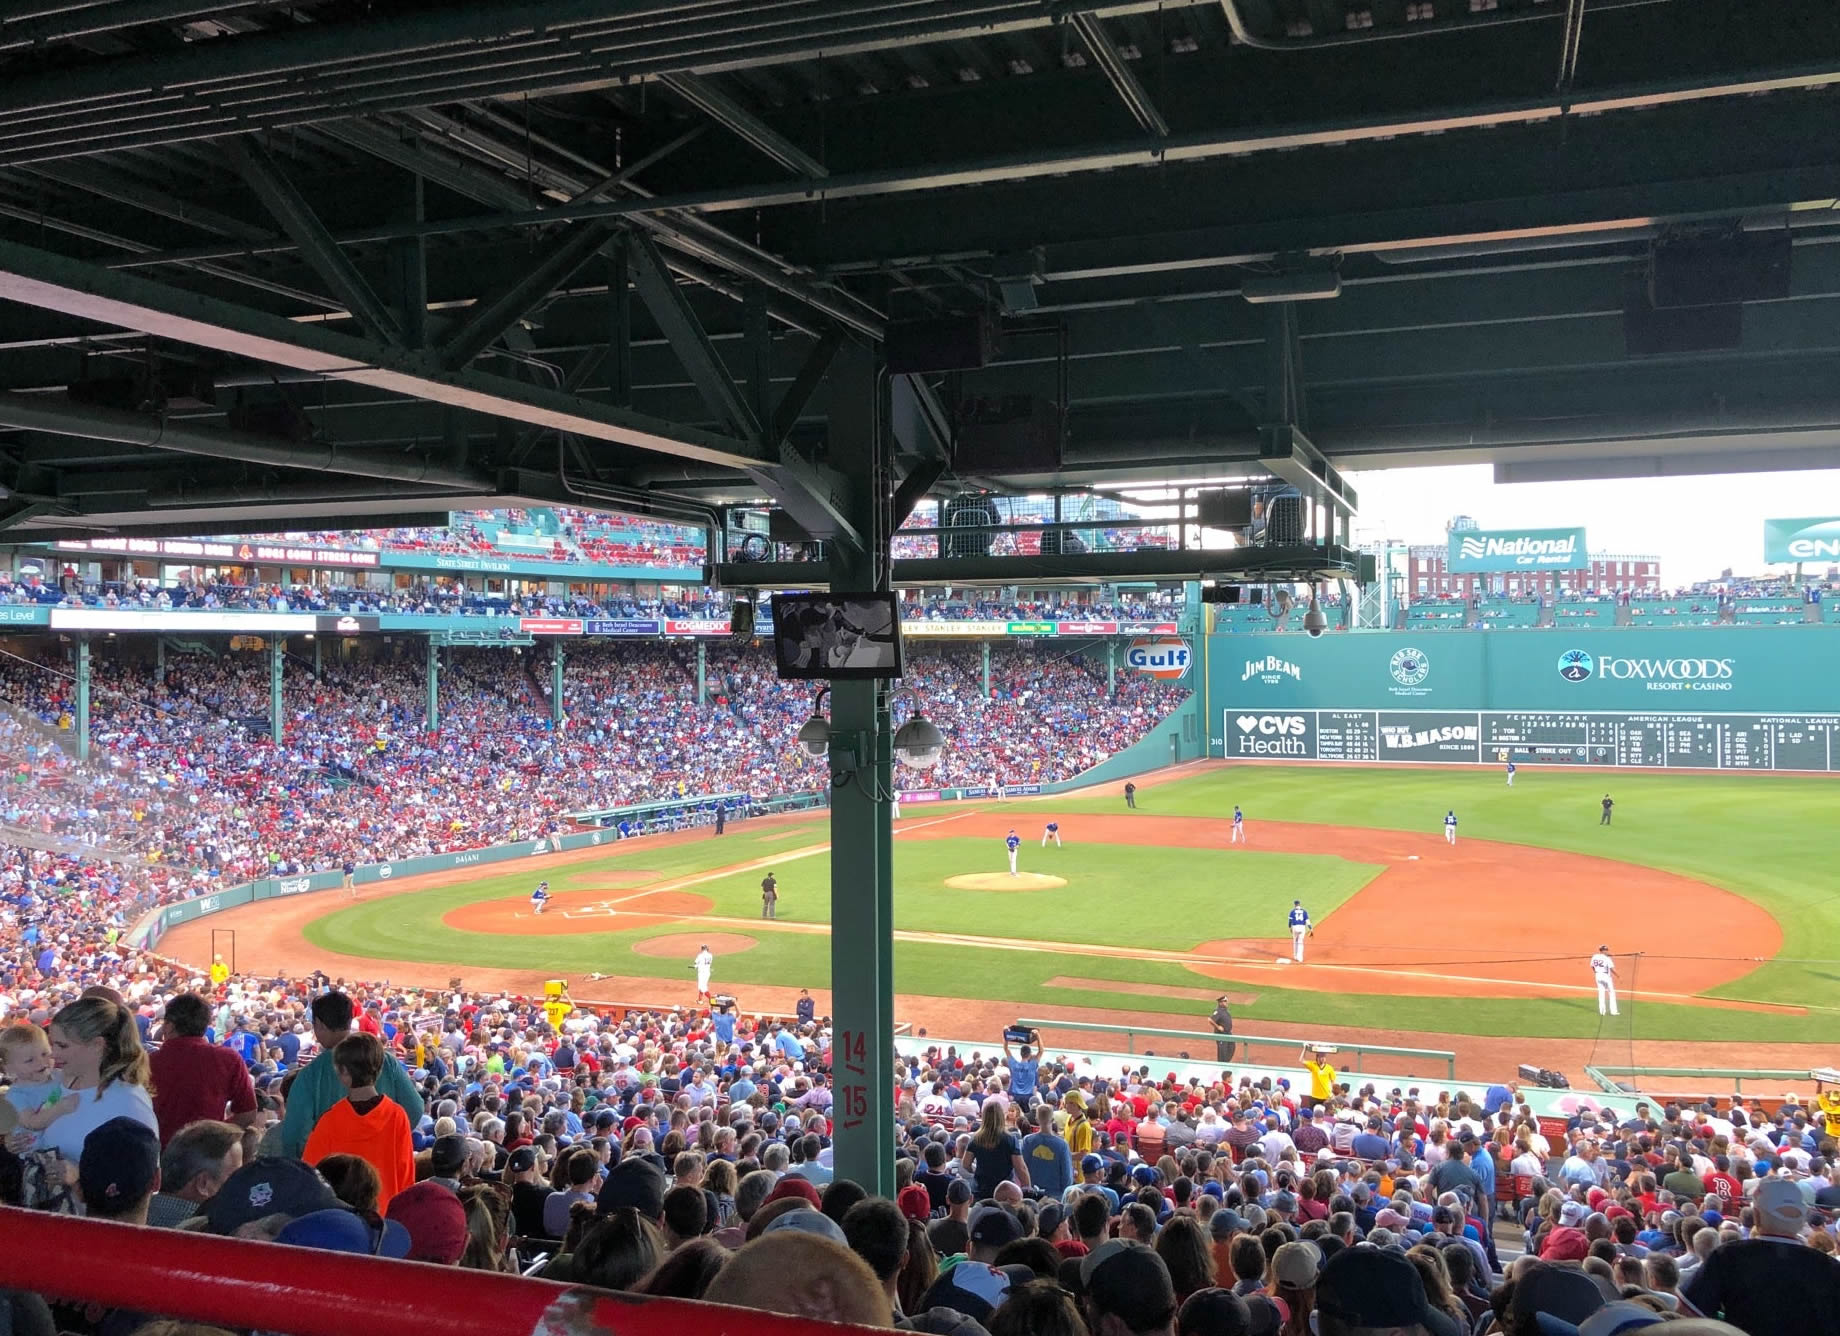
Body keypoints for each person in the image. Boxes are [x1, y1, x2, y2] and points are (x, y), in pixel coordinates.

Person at [1681, 1177, 1840, 1336]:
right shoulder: (1831, 1267)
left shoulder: (1728, 1256)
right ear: (1801, 1219)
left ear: (1757, 1215)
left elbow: (1688, 1316)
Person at [279, 991, 423, 1157]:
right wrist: (383, 1140)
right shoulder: (386, 1060)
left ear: (319, 1023)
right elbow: (415, 1108)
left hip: (329, 1173)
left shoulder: (310, 1075)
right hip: (381, 1164)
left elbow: (295, 1139)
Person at [31, 996, 159, 1162]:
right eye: (52, 1044)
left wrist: (78, 1179)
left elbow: (143, 1176)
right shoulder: (63, 1082)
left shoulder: (128, 1101)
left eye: (63, 1046)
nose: (53, 1054)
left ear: (97, 1045)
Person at [302, 1032, 414, 1212]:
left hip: (340, 1221)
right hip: (383, 1221)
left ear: (344, 1072)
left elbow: (311, 1176)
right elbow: (406, 1177)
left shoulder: (330, 1120)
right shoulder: (397, 1116)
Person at [147, 992, 259, 1146]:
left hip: (158, 1156)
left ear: (169, 1026)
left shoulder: (147, 1063)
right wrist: (214, 1138)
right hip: (209, 1157)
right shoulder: (228, 1059)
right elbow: (247, 1114)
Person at [961, 1100, 1029, 1199]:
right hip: (1005, 1191)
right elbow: (1021, 1168)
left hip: (981, 1189)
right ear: (1001, 1117)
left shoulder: (976, 1138)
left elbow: (965, 1164)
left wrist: (974, 1171)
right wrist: (1028, 1189)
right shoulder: (1010, 1139)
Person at [1300, 1047, 1336, 1112]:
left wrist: (1332, 1093)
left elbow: (1333, 1082)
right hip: (1314, 1096)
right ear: (1317, 1057)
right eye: (1321, 1056)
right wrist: (1305, 1049)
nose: (1323, 1058)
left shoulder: (1329, 1068)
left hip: (1325, 1097)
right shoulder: (1313, 1065)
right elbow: (1301, 1060)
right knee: (1312, 1114)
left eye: (1324, 1057)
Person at [1591, 945, 1619, 1016]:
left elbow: (1592, 966)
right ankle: (1613, 1011)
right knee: (1611, 993)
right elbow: (1612, 969)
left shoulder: (1594, 956)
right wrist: (1618, 976)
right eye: (1605, 950)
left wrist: (1596, 972)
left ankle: (1602, 1012)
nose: (1606, 951)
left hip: (1598, 976)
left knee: (1601, 993)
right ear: (1602, 951)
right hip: (1606, 976)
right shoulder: (1607, 958)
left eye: (1607, 950)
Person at [1209, 996, 1236, 1063]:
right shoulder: (1218, 1011)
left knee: (1232, 1047)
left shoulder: (1225, 1010)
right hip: (1221, 1035)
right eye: (1225, 1001)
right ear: (1220, 1003)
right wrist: (1218, 1027)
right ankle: (1222, 1065)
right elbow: (1210, 1020)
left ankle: (1226, 1062)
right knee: (1222, 1052)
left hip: (1228, 1033)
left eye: (1226, 1001)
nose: (1227, 1003)